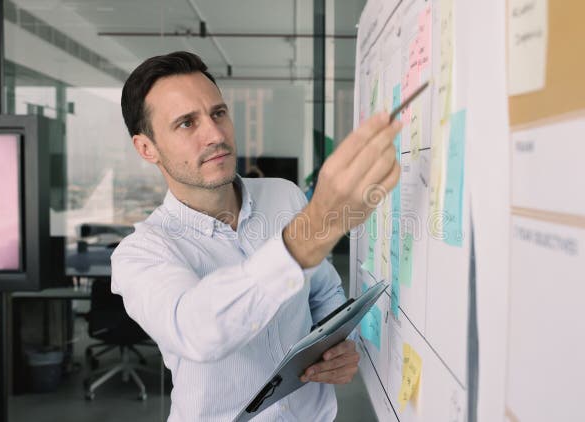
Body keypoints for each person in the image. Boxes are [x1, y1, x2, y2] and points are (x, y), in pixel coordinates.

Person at [112, 51, 401, 421]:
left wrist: (339, 347)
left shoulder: (283, 194)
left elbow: (324, 291)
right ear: (146, 148)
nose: (215, 134)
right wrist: (309, 234)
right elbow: (197, 330)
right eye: (187, 123)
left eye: (218, 113)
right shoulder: (140, 253)